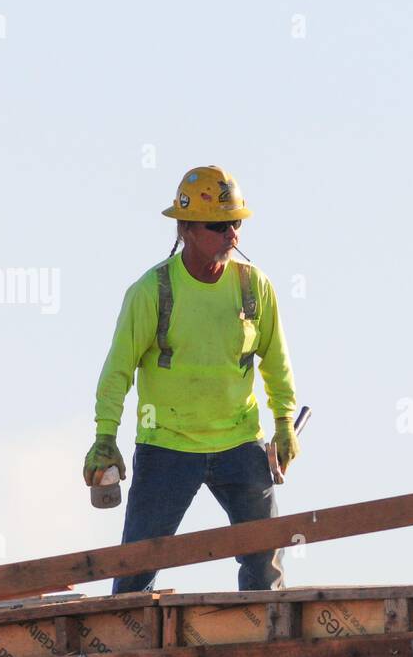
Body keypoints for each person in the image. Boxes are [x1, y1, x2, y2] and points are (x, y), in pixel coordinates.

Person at [83, 165, 299, 592]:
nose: (232, 235)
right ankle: (125, 654)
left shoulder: (254, 288)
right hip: (167, 446)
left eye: (235, 223)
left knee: (264, 563)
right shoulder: (152, 292)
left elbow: (277, 362)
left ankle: (264, 650)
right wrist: (105, 437)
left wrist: (284, 424)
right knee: (135, 570)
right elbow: (117, 371)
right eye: (218, 226)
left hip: (239, 442)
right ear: (186, 230)